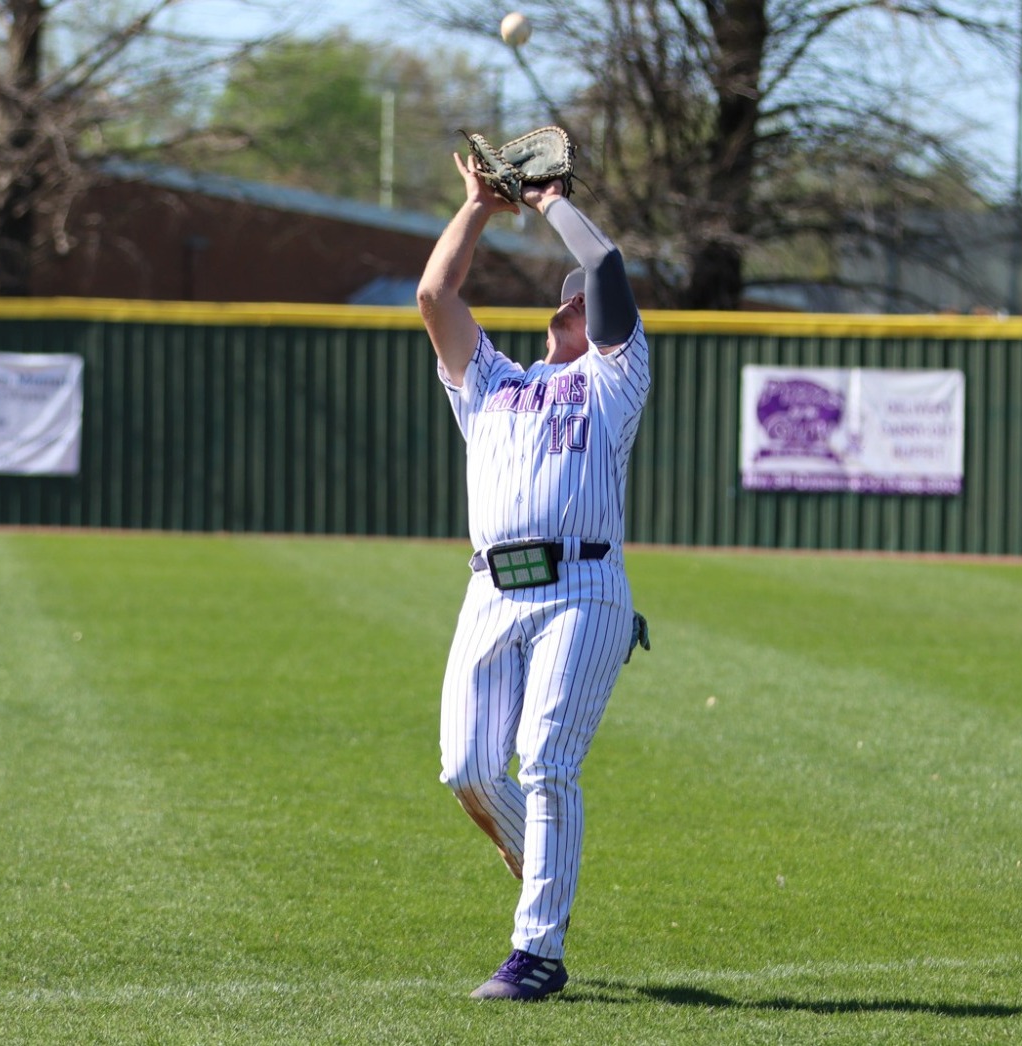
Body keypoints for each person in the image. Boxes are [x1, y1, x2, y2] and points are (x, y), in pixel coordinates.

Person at [416, 148, 649, 1002]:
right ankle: (541, 866)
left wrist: (549, 200)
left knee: (545, 760)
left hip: (582, 590)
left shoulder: (612, 381)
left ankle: (536, 953)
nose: (575, 301)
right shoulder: (491, 382)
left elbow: (605, 265)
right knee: (468, 770)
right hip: (490, 591)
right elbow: (435, 296)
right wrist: (479, 205)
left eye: (585, 302)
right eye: (567, 296)